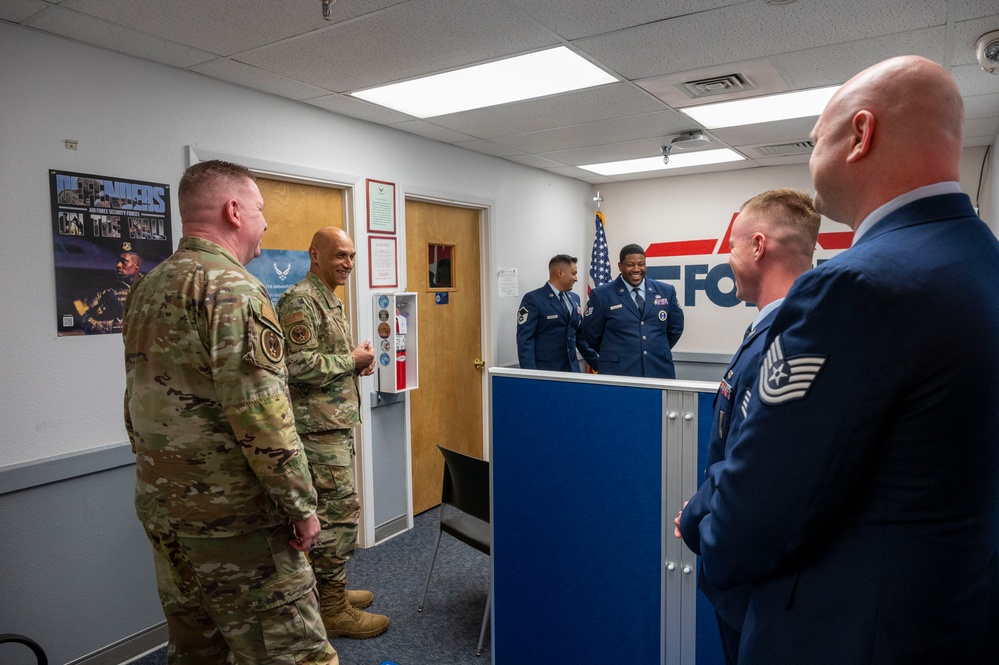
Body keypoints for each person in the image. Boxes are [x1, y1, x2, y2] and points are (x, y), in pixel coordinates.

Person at [695, 56, 999, 665]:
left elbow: (765, 500)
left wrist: (703, 532)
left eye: (815, 141)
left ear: (861, 135)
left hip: (850, 632)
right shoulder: (981, 262)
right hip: (951, 618)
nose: (811, 160)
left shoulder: (858, 285)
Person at [122, 160, 338, 665]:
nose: (266, 223)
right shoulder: (234, 289)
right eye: (261, 210)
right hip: (236, 521)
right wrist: (302, 506)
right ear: (234, 210)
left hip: (166, 509)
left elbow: (136, 400)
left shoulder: (147, 287)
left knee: (199, 649)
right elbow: (262, 416)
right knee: (296, 654)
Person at [673, 189, 820, 664]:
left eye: (732, 249)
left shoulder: (787, 340)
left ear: (758, 246)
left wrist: (699, 520)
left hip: (755, 578)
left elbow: (756, 469)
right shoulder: (794, 325)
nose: (728, 262)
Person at [277, 226, 390, 639]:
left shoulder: (329, 299)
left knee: (338, 515)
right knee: (336, 518)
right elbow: (297, 365)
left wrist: (357, 363)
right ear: (315, 255)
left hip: (335, 427)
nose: (348, 263)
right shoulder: (300, 301)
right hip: (316, 434)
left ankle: (331, 593)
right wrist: (350, 359)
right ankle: (332, 609)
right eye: (340, 255)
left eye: (352, 256)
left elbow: (328, 361)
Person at [581, 243, 683, 378]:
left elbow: (675, 328)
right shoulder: (601, 294)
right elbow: (590, 333)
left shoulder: (666, 290)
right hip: (618, 371)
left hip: (658, 369)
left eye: (641, 264)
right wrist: (612, 352)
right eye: (630, 264)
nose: (636, 269)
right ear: (620, 266)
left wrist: (654, 349)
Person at [516, 254, 599, 372]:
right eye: (574, 273)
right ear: (560, 273)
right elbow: (525, 341)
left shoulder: (574, 299)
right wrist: (530, 377)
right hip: (546, 372)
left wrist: (600, 366)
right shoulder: (533, 299)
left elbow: (579, 337)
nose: (576, 279)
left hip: (572, 370)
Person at [81, 246, 143, 334]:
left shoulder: (152, 289)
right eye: (117, 261)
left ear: (137, 265)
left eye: (123, 261)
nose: (118, 265)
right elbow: (85, 322)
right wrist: (113, 326)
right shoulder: (106, 292)